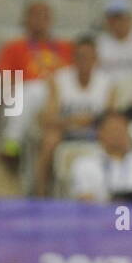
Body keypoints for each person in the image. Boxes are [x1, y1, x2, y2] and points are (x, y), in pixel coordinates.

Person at [34, 35, 115, 198]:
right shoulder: (59, 80)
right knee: (49, 140)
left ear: (95, 59)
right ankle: (40, 193)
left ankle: (110, 190)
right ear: (73, 58)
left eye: (89, 57)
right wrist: (78, 121)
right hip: (66, 131)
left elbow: (109, 118)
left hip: (96, 132)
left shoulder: (107, 83)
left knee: (116, 139)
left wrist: (85, 121)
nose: (84, 61)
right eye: (80, 56)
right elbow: (48, 117)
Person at [0, 1, 73, 162]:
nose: (39, 20)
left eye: (44, 16)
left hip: (61, 96)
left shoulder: (66, 47)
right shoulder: (13, 47)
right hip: (28, 94)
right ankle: (12, 144)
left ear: (51, 20)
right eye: (35, 16)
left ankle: (13, 140)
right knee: (28, 92)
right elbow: (4, 79)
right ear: (26, 20)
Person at [69, 109, 132, 203]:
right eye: (113, 129)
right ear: (100, 133)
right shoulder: (85, 164)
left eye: (122, 129)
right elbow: (84, 199)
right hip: (100, 218)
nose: (118, 134)